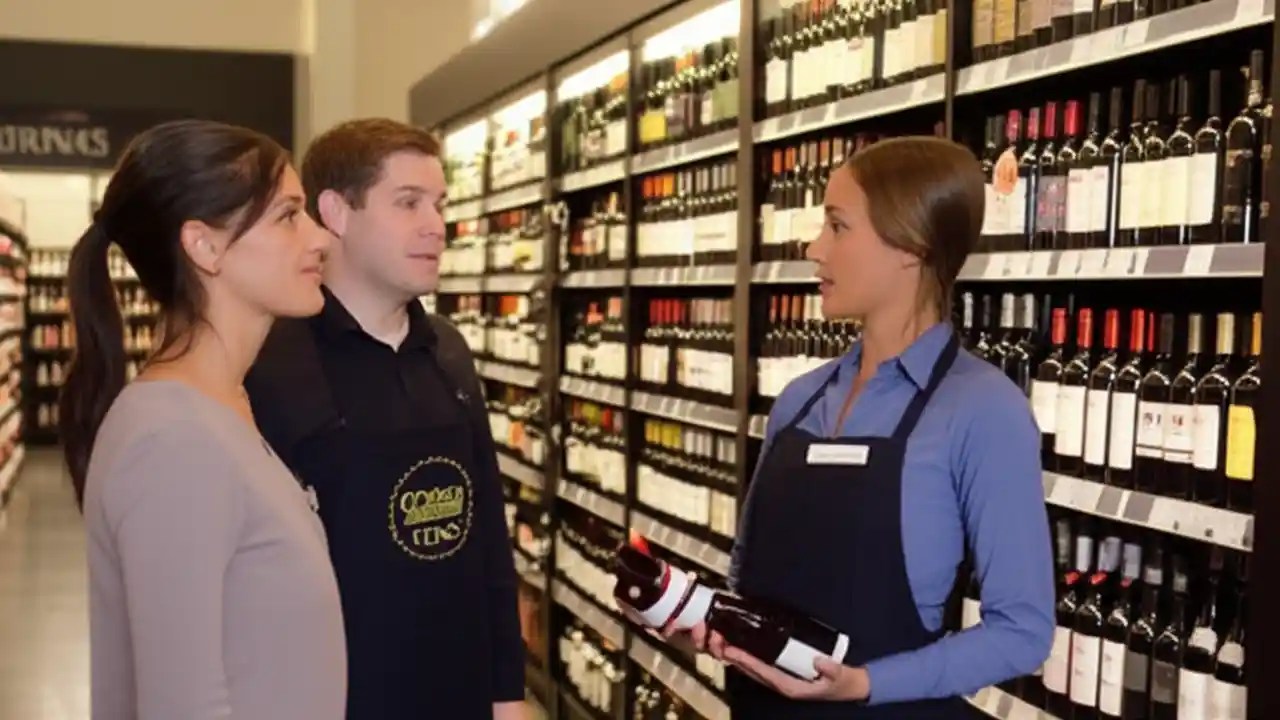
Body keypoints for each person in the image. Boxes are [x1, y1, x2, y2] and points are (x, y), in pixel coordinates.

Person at [678, 137, 1055, 717]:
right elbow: (746, 584)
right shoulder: (799, 401)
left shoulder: (983, 411)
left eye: (837, 226)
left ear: (911, 244)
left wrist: (864, 683)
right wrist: (698, 618)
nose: (814, 248)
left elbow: (1022, 631)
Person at [63, 119, 346, 719]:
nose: (320, 238)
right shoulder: (173, 441)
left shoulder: (223, 408)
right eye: (288, 215)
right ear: (204, 246)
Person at [244, 118, 526, 720]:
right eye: (407, 203)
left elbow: (488, 541)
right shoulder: (271, 365)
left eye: (439, 204)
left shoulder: (448, 352)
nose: (436, 225)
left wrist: (507, 692)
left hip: (458, 694)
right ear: (336, 213)